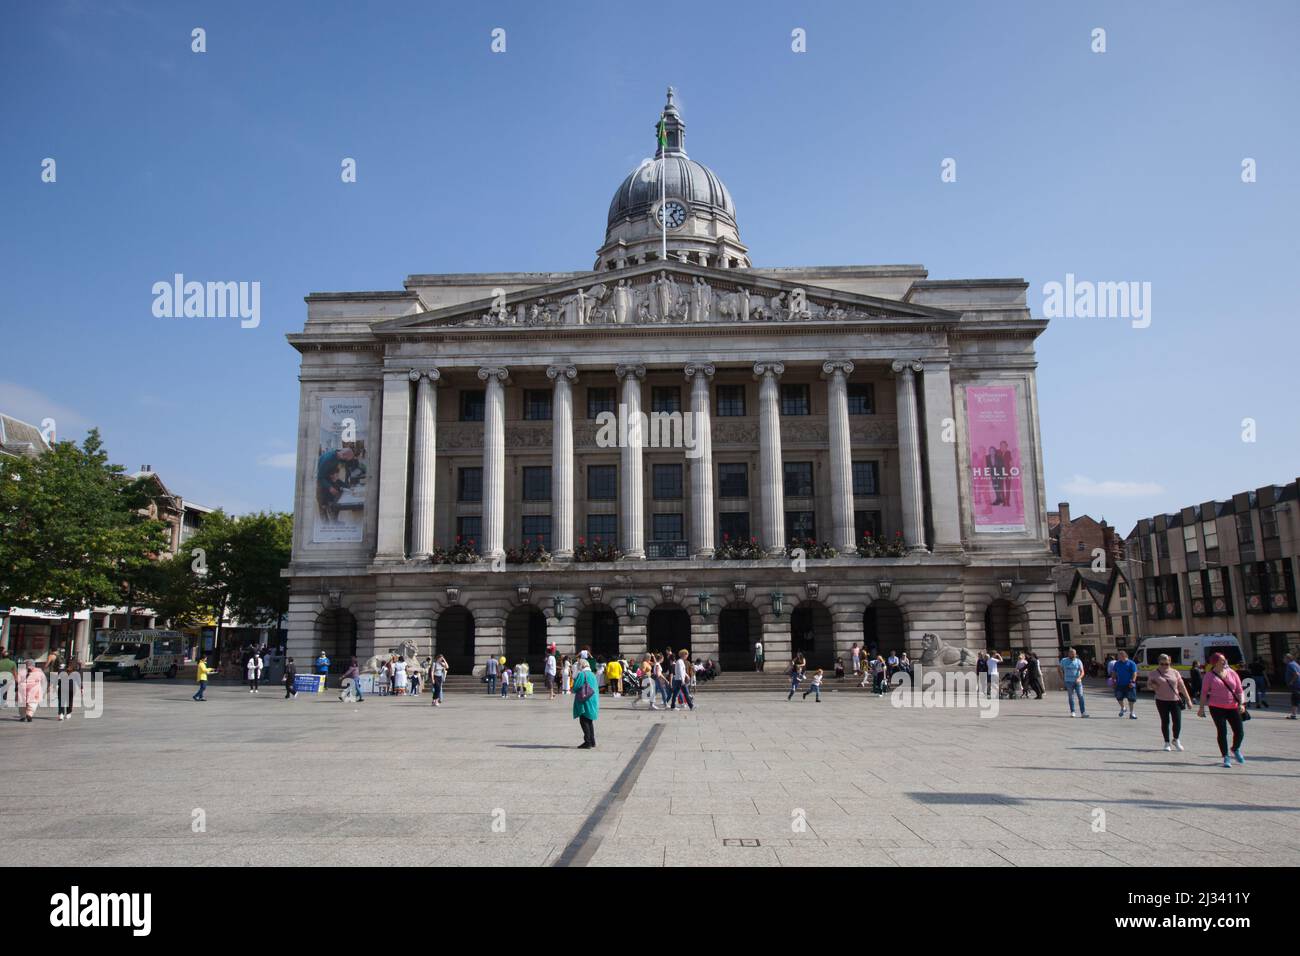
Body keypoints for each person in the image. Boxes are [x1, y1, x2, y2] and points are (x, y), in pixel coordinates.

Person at [1199, 653, 1247, 767]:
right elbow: (1204, 692)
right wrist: (1201, 708)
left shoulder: (1232, 673)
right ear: (1215, 662)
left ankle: (1235, 749)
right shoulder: (1209, 676)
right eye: (1222, 660)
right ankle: (1226, 756)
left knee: (1239, 731)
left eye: (1225, 659)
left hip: (1233, 706)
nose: (1224, 661)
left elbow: (1239, 690)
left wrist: (1242, 704)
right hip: (1216, 707)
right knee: (1222, 731)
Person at [1148, 654, 1192, 752]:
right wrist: (1152, 686)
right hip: (1161, 700)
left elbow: (1182, 686)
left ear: (1170, 662)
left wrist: (1188, 699)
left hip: (1175, 700)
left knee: (1177, 721)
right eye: (1162, 664)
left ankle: (1176, 739)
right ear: (1158, 663)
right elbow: (1149, 685)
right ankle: (1167, 742)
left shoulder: (1175, 672)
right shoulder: (1154, 673)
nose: (1164, 666)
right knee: (1165, 721)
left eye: (1166, 664)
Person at [572, 658, 599, 749]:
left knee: (583, 720)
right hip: (593, 699)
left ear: (581, 666)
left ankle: (587, 742)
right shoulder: (592, 674)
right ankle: (592, 741)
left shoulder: (582, 674)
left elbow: (575, 687)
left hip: (584, 700)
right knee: (589, 720)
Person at [1058, 648, 1088, 717]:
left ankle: (1083, 712)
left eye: (1074, 654)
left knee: (1080, 696)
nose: (1073, 655)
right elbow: (1059, 669)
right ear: (1069, 654)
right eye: (1072, 654)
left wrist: (1079, 678)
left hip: (1078, 682)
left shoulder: (1078, 661)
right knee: (1071, 697)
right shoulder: (1064, 660)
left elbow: (1082, 672)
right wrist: (1062, 678)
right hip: (1068, 681)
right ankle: (1073, 711)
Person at [1112, 649, 1138, 719]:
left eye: (1119, 656)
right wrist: (1113, 680)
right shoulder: (1117, 663)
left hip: (1129, 684)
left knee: (1131, 699)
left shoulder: (1131, 663)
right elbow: (1114, 672)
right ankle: (1123, 707)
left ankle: (1132, 713)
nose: (1118, 657)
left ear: (1124, 656)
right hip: (1119, 684)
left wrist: (1132, 682)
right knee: (1118, 697)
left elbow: (1134, 673)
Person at [1285, 653, 1300, 720]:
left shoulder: (1290, 664)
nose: (1283, 660)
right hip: (1298, 684)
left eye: (1284, 658)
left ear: (1288, 658)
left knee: (1294, 699)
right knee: (1296, 699)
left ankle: (1293, 715)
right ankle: (1293, 714)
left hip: (1296, 685)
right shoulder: (1296, 664)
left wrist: (1291, 682)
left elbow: (1296, 674)